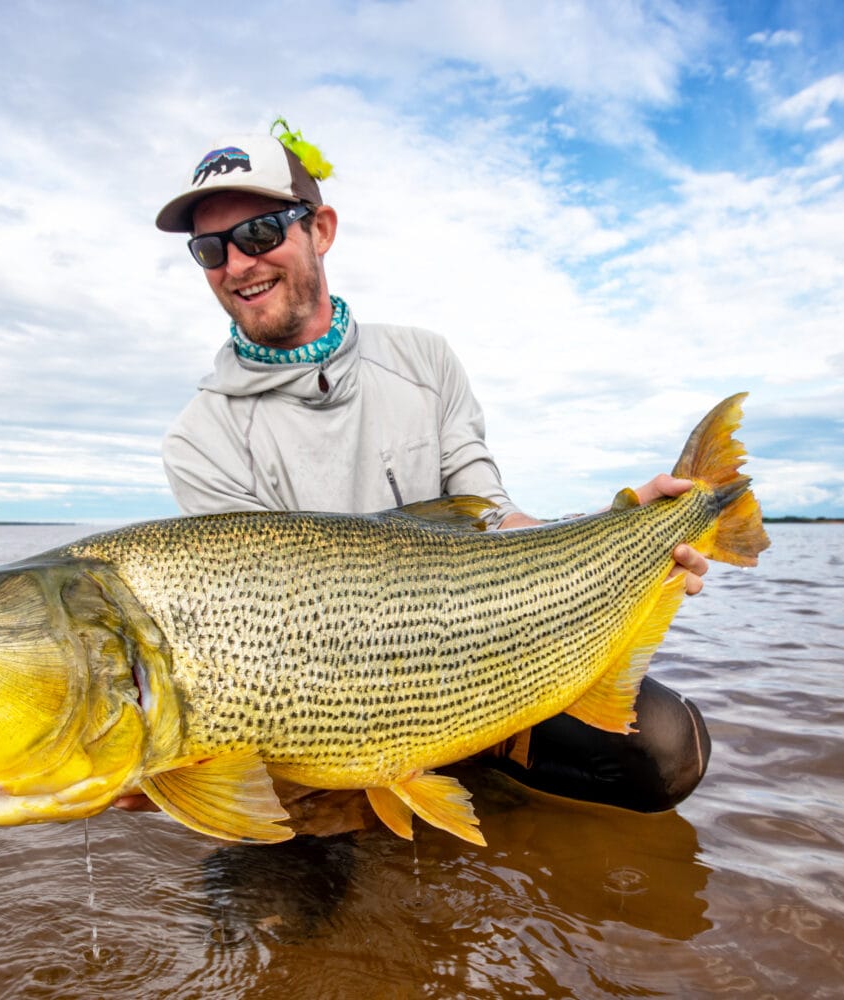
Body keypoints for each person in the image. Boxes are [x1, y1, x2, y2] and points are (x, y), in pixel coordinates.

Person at [142, 126, 713, 831]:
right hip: (327, 706)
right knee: (296, 876)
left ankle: (491, 779)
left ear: (321, 229)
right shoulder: (198, 440)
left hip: (485, 654)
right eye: (210, 249)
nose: (237, 264)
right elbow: (251, 634)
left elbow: (493, 514)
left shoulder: (425, 360)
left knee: (667, 750)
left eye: (259, 233)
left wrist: (624, 529)